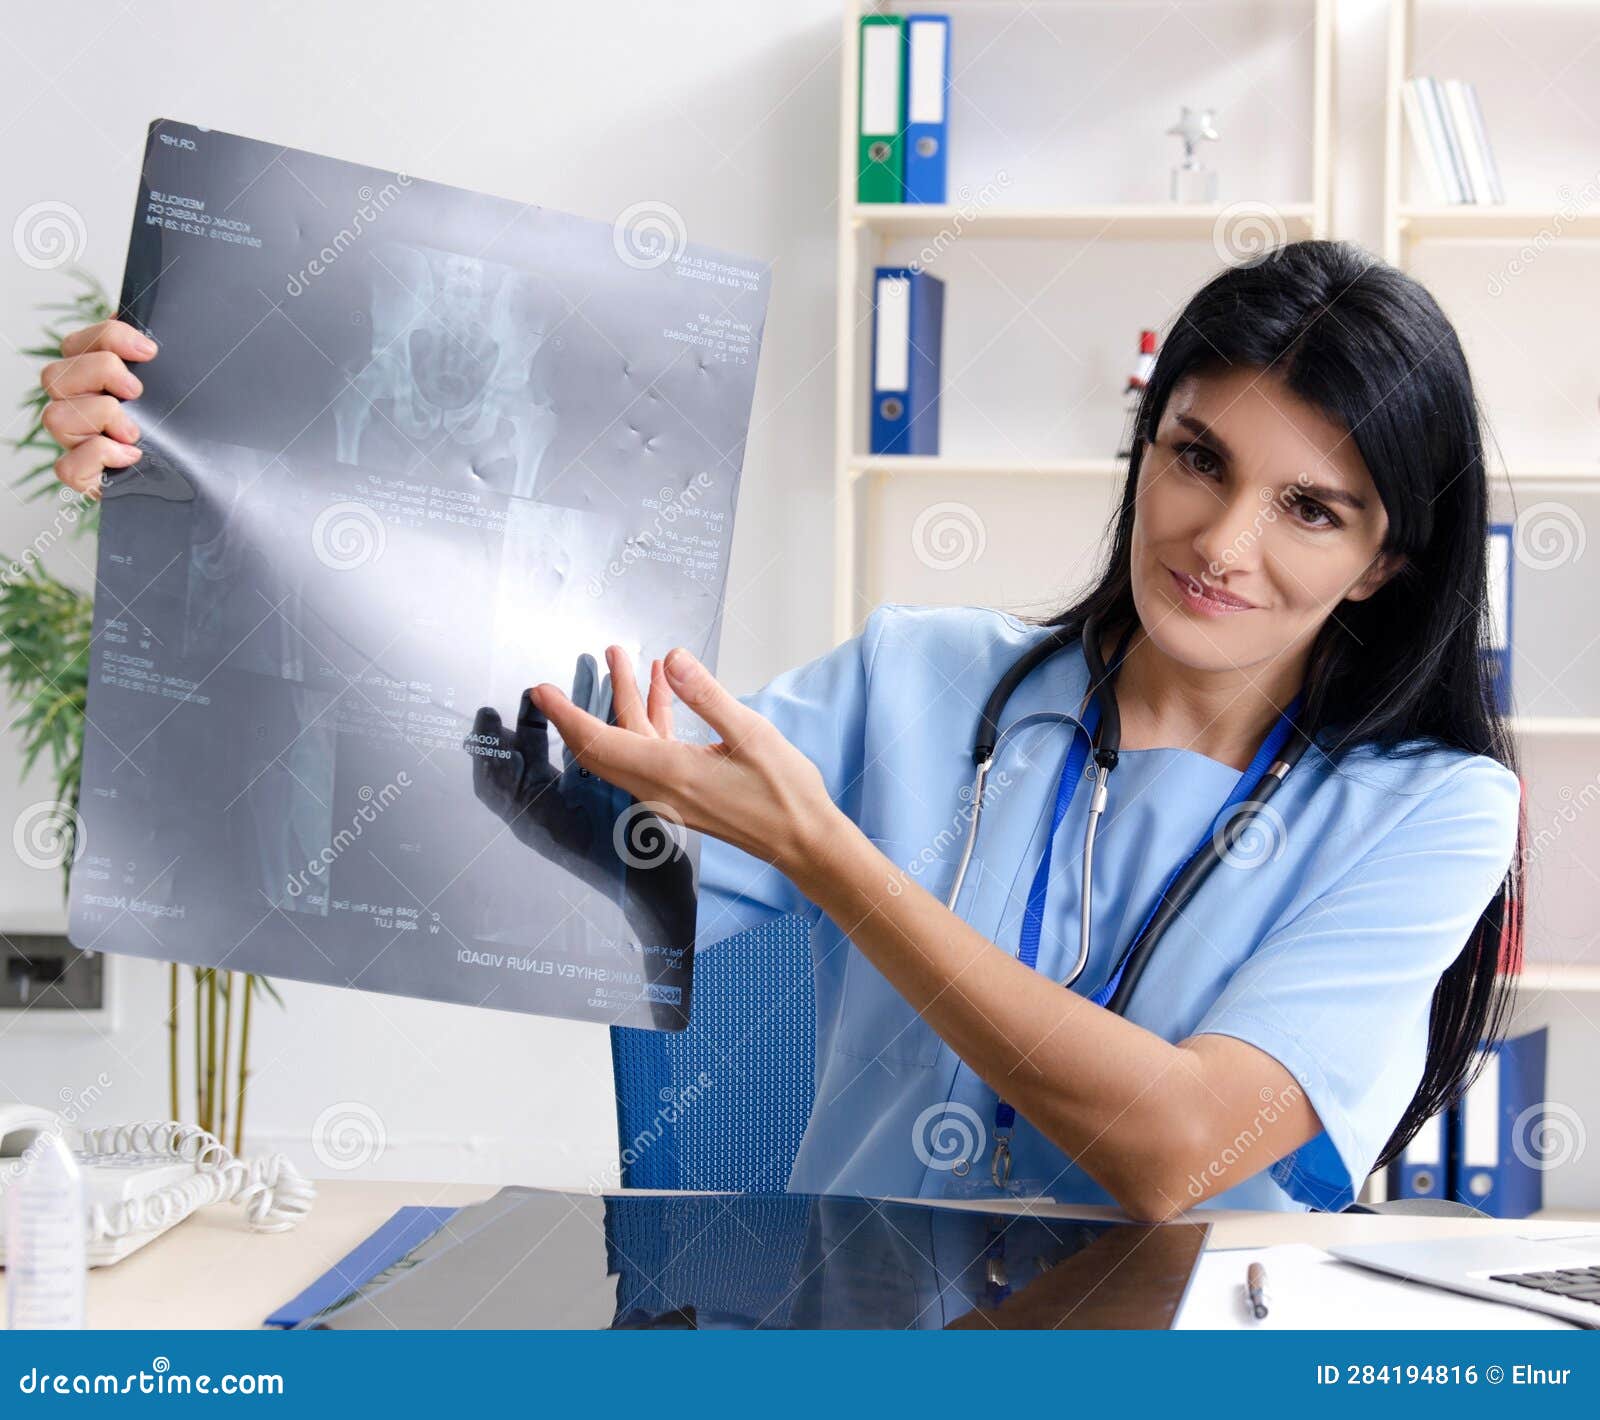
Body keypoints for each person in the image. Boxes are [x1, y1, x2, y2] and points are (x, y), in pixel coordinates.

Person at [40, 239, 1524, 1220]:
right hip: (857, 1348)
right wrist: (198, 482)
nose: (1222, 539)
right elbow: (512, 756)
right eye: (1198, 458)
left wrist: (829, 857)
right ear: (1148, 450)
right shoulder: (924, 680)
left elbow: (1173, 1150)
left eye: (1310, 508)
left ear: (1386, 560)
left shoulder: (1429, 809)